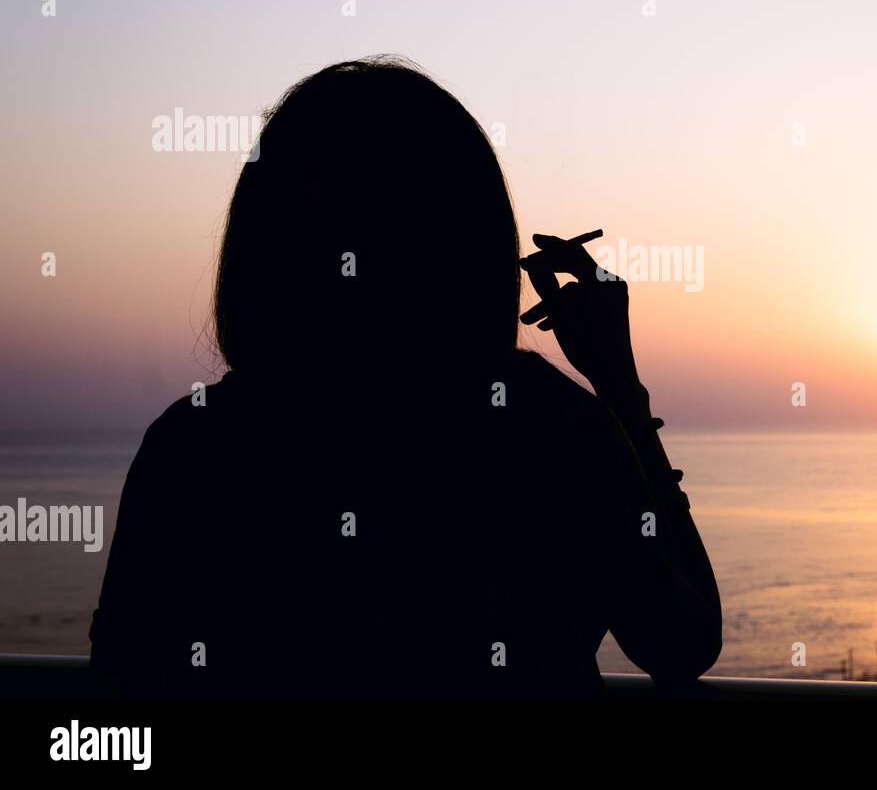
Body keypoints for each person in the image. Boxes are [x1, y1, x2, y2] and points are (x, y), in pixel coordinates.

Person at [89, 55, 722, 699]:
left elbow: (121, 685)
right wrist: (619, 389)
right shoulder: (542, 427)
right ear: (473, 240)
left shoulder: (194, 445)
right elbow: (682, 642)